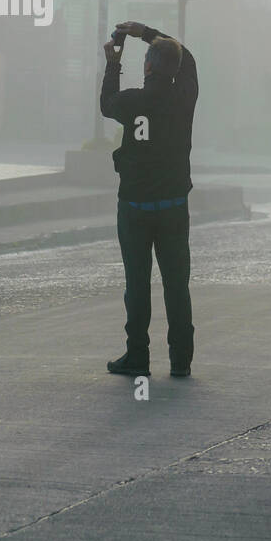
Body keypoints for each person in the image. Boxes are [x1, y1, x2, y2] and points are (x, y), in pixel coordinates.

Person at [99, 21, 198, 378]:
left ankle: (138, 354)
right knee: (176, 284)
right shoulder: (184, 100)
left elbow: (106, 105)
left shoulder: (131, 102)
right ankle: (181, 359)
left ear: (149, 67)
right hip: (173, 206)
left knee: (137, 284)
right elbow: (188, 60)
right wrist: (147, 32)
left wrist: (113, 62)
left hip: (135, 207)